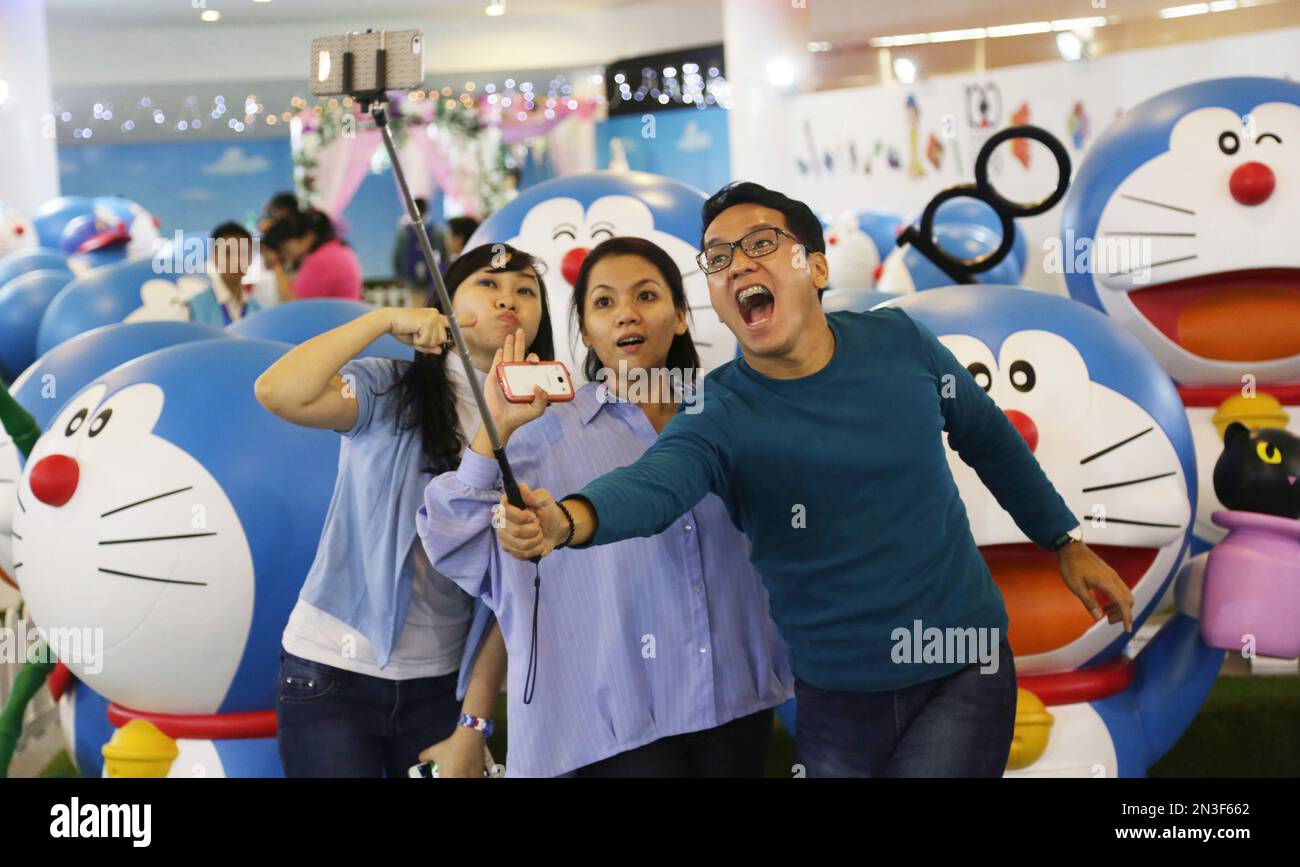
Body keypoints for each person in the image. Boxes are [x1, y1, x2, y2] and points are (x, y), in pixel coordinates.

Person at [493, 182, 1136, 778]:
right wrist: (566, 519)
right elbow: (656, 485)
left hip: (960, 669)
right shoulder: (719, 409)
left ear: (818, 268)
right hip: (833, 695)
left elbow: (991, 440)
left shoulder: (900, 343)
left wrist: (1064, 541)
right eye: (718, 259)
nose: (738, 264)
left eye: (761, 245)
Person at [419, 236, 792, 778]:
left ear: (681, 316)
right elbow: (453, 541)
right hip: (617, 728)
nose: (626, 315)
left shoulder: (729, 415)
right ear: (586, 333)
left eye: (646, 296)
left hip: (738, 702)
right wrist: (491, 435)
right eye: (603, 303)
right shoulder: (540, 433)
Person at [254, 243, 555, 778]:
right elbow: (279, 392)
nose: (509, 297)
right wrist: (382, 319)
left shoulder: (544, 427)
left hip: (442, 686)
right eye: (489, 283)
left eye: (526, 291)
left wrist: (474, 724)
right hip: (331, 671)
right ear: (443, 306)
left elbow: (513, 594)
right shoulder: (389, 387)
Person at [262, 208, 363, 302]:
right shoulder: (334, 249)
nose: (283, 251)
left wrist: (276, 264)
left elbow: (291, 306)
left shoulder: (323, 260)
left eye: (285, 244)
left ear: (308, 238)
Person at [187, 221, 262, 326]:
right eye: (228, 253)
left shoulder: (257, 309)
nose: (237, 260)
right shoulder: (194, 307)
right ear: (214, 257)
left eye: (243, 253)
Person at [391, 197, 447, 305]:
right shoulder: (437, 231)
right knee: (433, 307)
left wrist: (400, 276)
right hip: (434, 281)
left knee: (416, 309)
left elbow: (397, 257)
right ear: (427, 210)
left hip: (412, 281)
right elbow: (443, 255)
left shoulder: (404, 232)